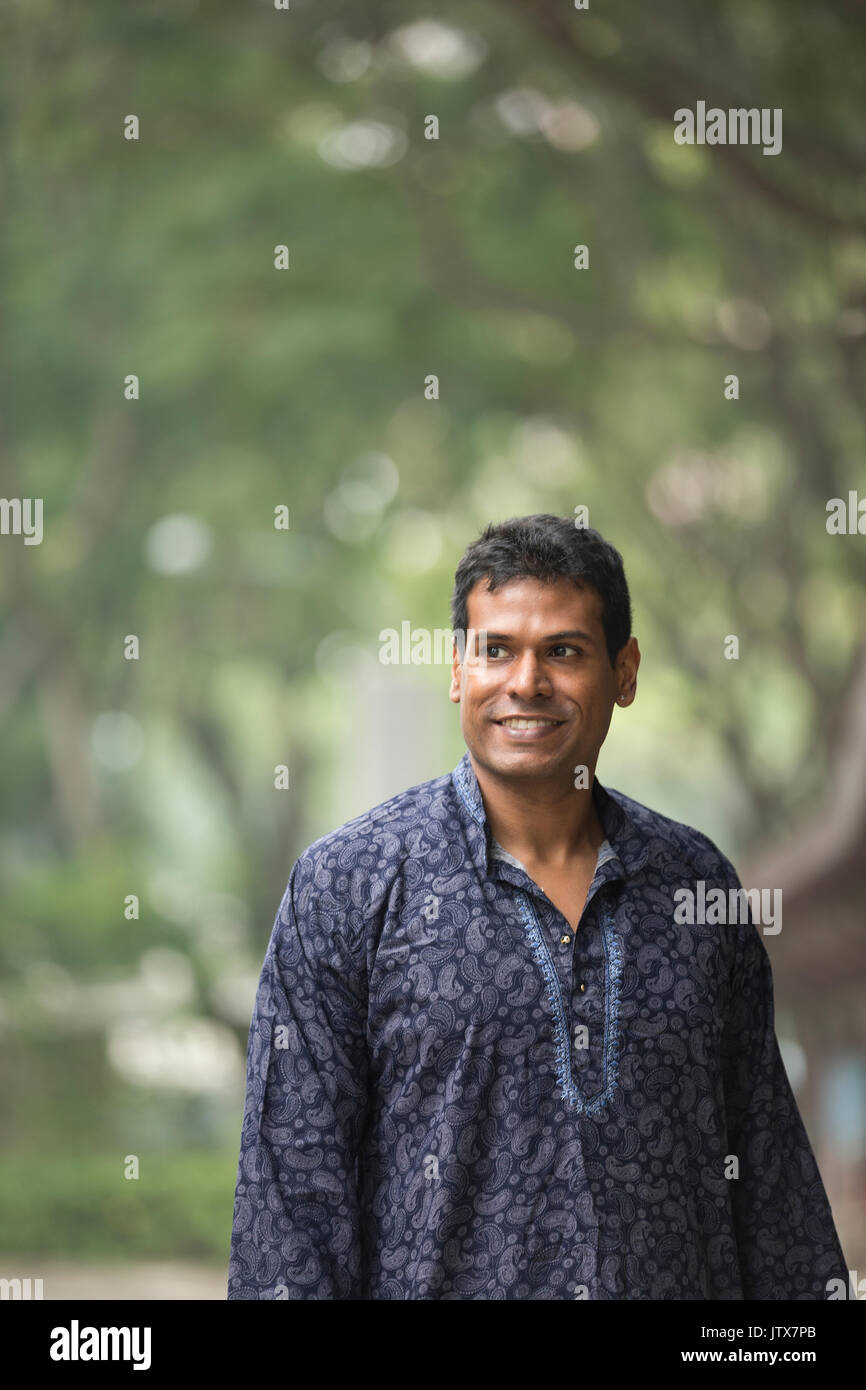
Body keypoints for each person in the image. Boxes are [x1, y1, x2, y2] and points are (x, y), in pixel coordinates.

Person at [227, 513, 848, 1300]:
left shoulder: (697, 885)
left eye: (564, 650)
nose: (527, 682)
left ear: (624, 673)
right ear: (458, 669)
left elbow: (768, 1177)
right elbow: (292, 1209)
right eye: (497, 650)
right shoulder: (348, 886)